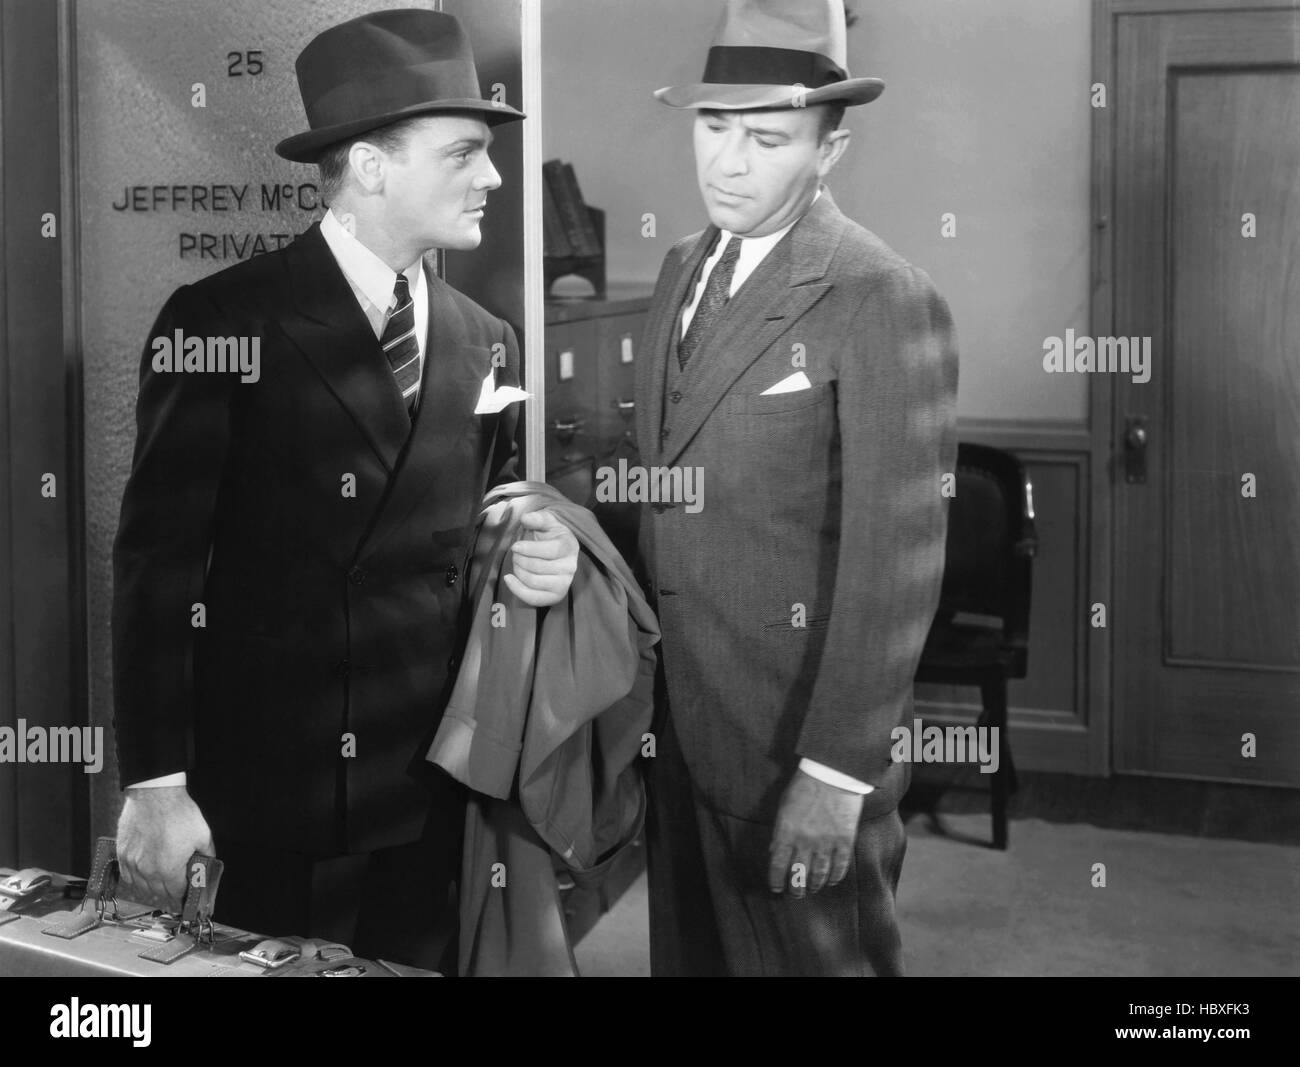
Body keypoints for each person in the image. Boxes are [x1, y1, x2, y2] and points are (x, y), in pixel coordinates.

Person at [110, 9, 577, 972]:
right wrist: (155, 785)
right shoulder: (219, 323)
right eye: (464, 153)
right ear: (368, 166)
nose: (492, 176)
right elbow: (157, 570)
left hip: (434, 793)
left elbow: (492, 520)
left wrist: (540, 545)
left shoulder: (490, 338)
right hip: (269, 802)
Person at [636, 0, 959, 976]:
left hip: (796, 748)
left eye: (766, 138)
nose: (727, 162)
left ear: (829, 150)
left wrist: (832, 770)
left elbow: (892, 564)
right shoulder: (677, 270)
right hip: (678, 728)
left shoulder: (877, 293)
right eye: (714, 127)